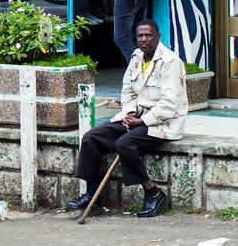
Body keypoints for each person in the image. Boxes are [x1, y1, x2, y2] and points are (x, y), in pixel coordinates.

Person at [67, 20, 187, 218]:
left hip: (162, 122)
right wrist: (130, 114)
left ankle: (153, 192)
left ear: (158, 36)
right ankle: (92, 195)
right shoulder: (136, 57)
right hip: (135, 117)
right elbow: (127, 92)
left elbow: (169, 105)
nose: (143, 40)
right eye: (140, 36)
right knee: (91, 138)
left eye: (148, 35)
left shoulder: (170, 62)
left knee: (124, 144)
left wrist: (142, 121)